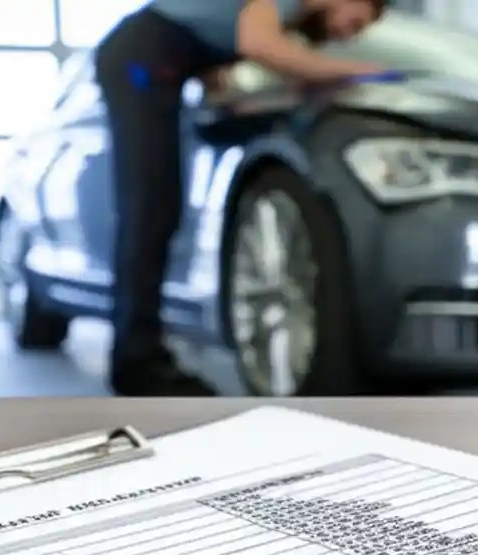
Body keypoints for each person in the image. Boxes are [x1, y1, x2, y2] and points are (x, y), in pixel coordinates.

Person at [95, 0, 385, 396]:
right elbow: (259, 45)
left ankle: (139, 357)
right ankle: (137, 364)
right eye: (357, 21)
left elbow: (229, 52)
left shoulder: (282, 18)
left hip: (150, 61)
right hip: (139, 60)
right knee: (149, 213)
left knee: (158, 212)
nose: (349, 34)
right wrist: (355, 73)